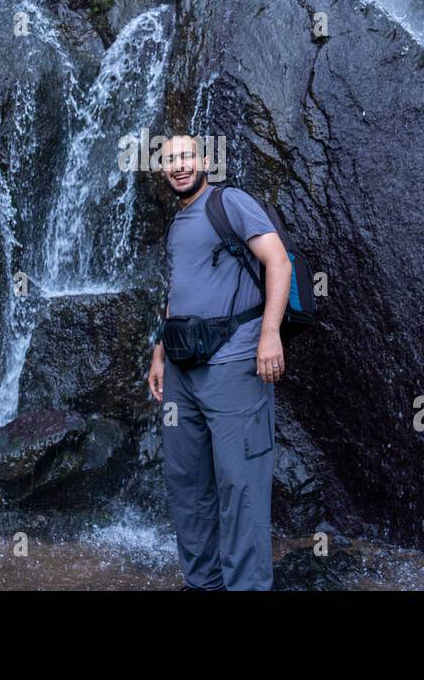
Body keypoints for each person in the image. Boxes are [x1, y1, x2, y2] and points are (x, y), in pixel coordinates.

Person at [147, 134, 292, 591]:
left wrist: (269, 335)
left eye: (187, 156)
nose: (180, 166)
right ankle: (203, 582)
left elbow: (279, 263)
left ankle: (246, 585)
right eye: (170, 160)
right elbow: (176, 292)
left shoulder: (230, 203)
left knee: (241, 485)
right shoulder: (176, 225)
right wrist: (158, 353)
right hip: (182, 370)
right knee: (186, 482)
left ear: (206, 160)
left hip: (234, 363)